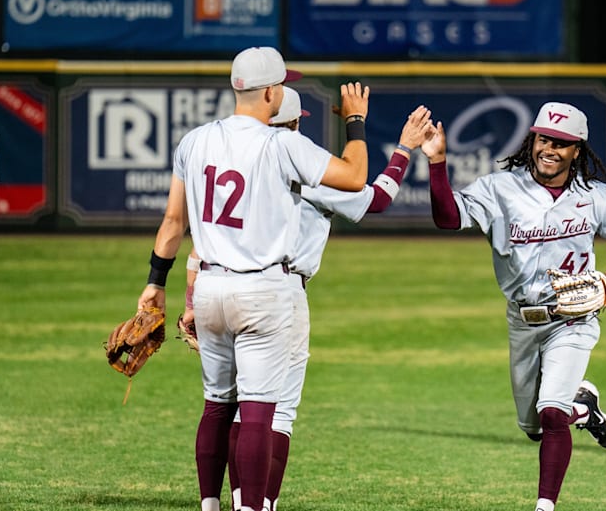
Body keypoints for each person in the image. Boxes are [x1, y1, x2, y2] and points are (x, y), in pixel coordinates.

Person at [136, 46, 371, 511]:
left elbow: (171, 223)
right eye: (280, 84)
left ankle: (208, 504)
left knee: (216, 404)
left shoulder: (195, 140)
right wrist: (355, 121)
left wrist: (155, 283)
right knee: (260, 412)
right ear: (270, 91)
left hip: (208, 289)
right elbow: (357, 177)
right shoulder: (281, 144)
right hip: (263, 290)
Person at [179, 86, 434, 511]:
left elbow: (192, 239)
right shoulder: (299, 163)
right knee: (273, 413)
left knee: (224, 405)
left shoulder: (221, 152)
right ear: (294, 124)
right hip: (277, 293)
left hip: (215, 285)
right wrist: (404, 148)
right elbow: (377, 198)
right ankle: (259, 505)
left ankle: (219, 502)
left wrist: (189, 300)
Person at [422, 102, 606, 511]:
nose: (551, 150)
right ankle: (585, 408)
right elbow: (448, 219)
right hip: (523, 320)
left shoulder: (596, 197)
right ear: (533, 140)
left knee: (550, 413)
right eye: (545, 139)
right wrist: (438, 162)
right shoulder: (500, 189)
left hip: (574, 317)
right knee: (533, 426)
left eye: (562, 144)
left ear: (577, 149)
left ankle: (545, 506)